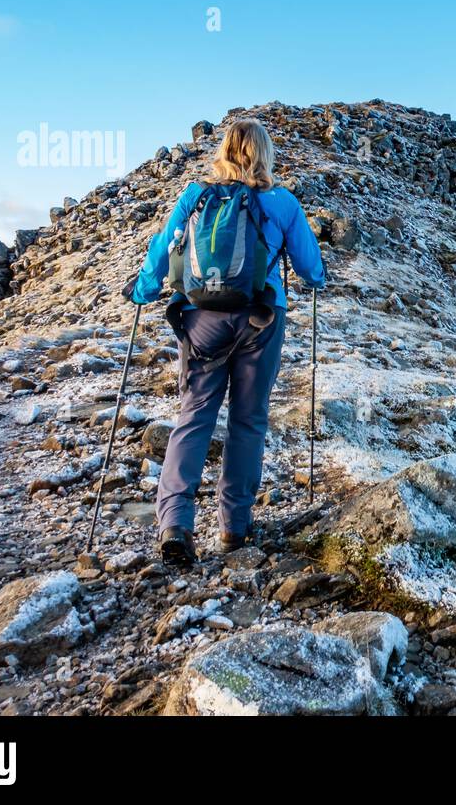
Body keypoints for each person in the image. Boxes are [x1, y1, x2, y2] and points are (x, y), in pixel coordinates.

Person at [124, 119, 325, 564]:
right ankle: (235, 528)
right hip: (260, 320)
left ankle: (175, 522)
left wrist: (141, 290)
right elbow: (311, 270)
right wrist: (316, 278)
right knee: (248, 420)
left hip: (200, 321)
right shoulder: (281, 202)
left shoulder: (194, 196)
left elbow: (162, 250)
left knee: (194, 415)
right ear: (264, 155)